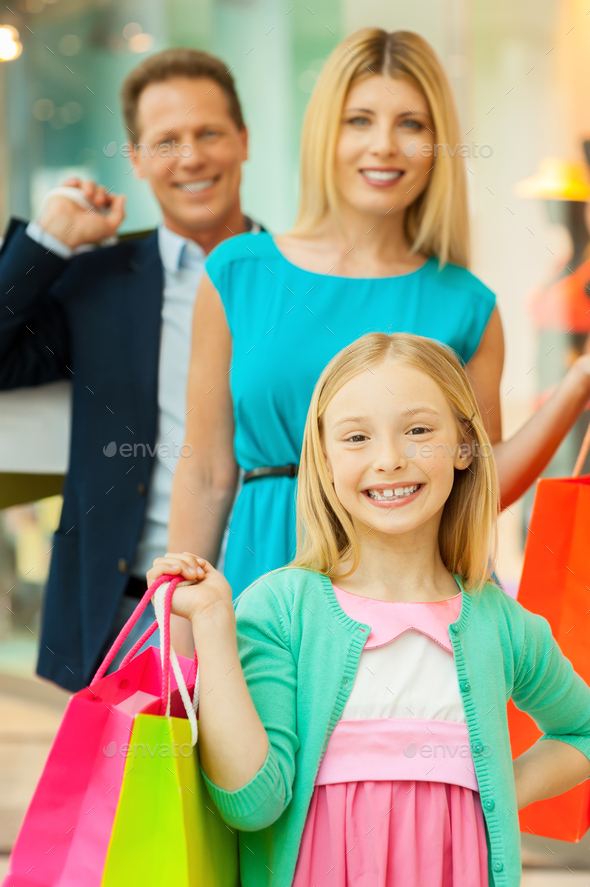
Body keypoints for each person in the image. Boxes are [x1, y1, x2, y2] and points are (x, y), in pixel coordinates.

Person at [166, 28, 590, 657]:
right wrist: (178, 629)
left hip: (420, 599)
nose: (384, 145)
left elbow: (481, 481)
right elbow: (203, 470)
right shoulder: (238, 272)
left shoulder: (466, 304)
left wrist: (577, 386)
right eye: (359, 119)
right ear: (324, 134)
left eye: (411, 123)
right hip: (266, 571)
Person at [149, 332, 590, 887]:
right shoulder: (281, 609)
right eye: (356, 437)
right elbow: (251, 804)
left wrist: (500, 784)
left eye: (419, 430)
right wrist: (213, 626)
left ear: (463, 446)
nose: (389, 459)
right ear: (326, 459)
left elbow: (582, 731)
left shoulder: (499, 622)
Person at [0, 48, 262, 691]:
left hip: (271, 605)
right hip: (125, 614)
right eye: (166, 140)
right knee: (120, 796)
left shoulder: (297, 279)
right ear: (138, 159)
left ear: (243, 141)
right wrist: (48, 241)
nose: (191, 157)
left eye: (208, 133)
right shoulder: (97, 284)